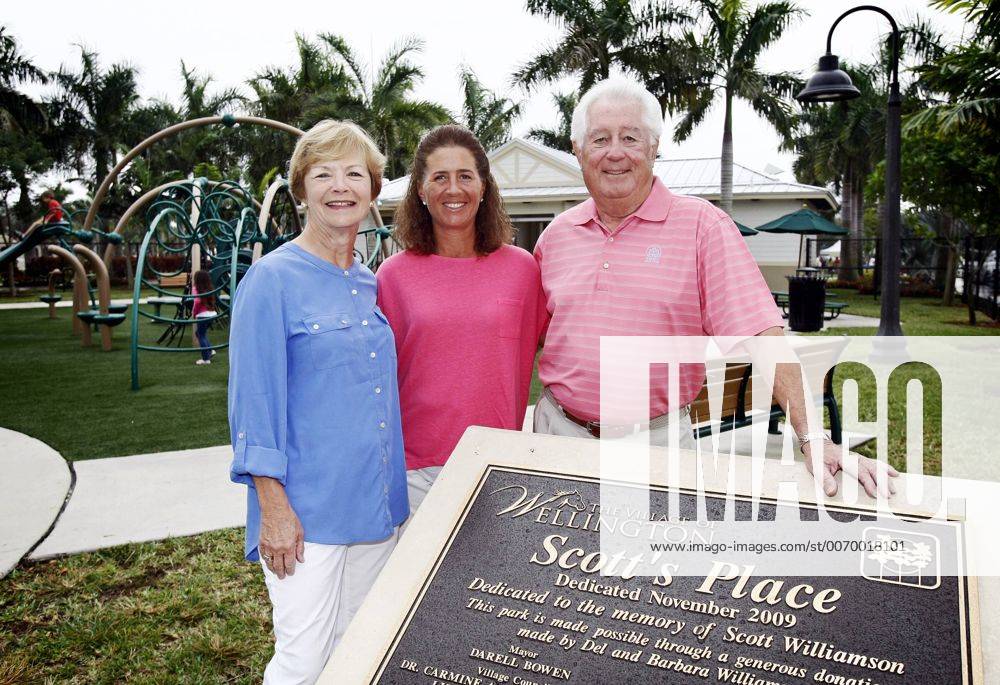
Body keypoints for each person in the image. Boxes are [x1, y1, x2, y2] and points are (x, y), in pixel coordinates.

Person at [532, 77, 897, 499]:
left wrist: (813, 437)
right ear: (578, 151)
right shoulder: (556, 237)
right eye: (600, 139)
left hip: (656, 443)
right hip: (557, 436)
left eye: (630, 137)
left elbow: (764, 338)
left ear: (653, 148)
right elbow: (524, 342)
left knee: (652, 563)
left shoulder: (703, 227)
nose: (615, 152)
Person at [228, 120, 408, 684]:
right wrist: (273, 508)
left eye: (355, 173)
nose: (340, 186)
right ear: (301, 189)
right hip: (307, 515)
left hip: (376, 506)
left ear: (372, 189)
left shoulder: (369, 281)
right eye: (323, 174)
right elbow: (253, 404)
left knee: (360, 648)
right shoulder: (270, 279)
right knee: (303, 660)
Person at [376, 125, 547, 515]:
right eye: (440, 178)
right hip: (418, 470)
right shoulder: (392, 276)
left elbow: (558, 346)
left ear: (484, 186)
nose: (454, 190)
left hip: (501, 465)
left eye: (465, 176)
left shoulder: (523, 271)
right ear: (420, 190)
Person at [191, 269, 216, 365]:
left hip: (202, 315)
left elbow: (196, 302)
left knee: (201, 335)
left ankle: (206, 359)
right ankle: (210, 350)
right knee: (200, 333)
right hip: (212, 314)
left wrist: (194, 313)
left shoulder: (195, 288)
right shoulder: (209, 288)